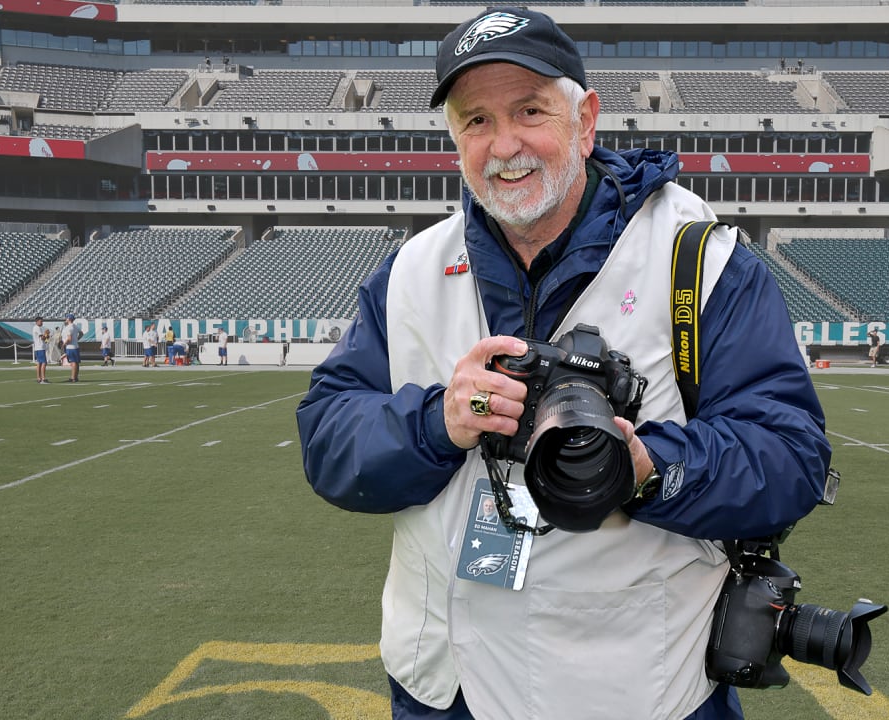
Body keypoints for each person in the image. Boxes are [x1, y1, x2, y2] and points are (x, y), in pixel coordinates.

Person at [296, 9, 831, 720]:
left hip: (636, 685)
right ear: (453, 137)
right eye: (475, 120)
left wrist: (647, 466)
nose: (505, 145)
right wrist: (436, 421)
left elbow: (791, 457)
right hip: (444, 685)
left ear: (586, 120)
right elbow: (329, 441)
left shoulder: (698, 261)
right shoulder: (409, 272)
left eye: (529, 110)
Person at [60, 313, 81, 382]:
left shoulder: (69, 327)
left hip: (70, 347)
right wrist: (77, 339)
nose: (65, 319)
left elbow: (69, 338)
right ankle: (76, 377)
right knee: (76, 362)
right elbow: (81, 333)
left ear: (68, 319)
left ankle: (73, 378)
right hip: (75, 346)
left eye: (66, 318)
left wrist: (64, 344)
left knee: (73, 362)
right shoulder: (74, 326)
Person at [32, 316, 50, 383]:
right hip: (40, 347)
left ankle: (39, 378)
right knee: (44, 363)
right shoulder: (37, 328)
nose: (42, 322)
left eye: (42, 321)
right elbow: (42, 338)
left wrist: (47, 335)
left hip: (39, 347)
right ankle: (43, 378)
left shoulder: (39, 328)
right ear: (36, 322)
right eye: (40, 321)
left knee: (39, 363)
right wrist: (46, 334)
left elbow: (45, 339)